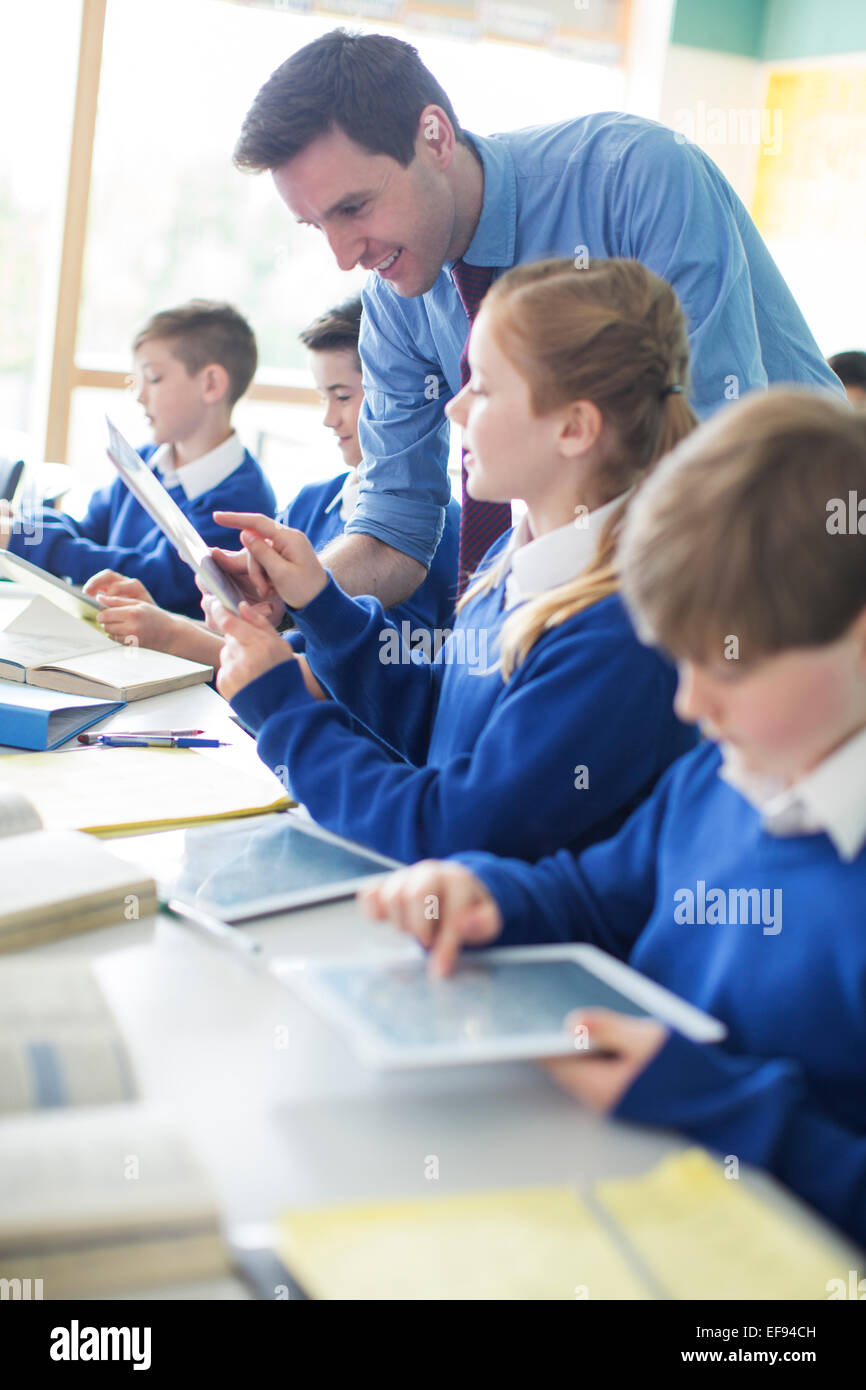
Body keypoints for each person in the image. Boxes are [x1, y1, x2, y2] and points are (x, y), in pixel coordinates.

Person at [360, 390, 866, 1247]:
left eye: (727, 667)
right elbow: (598, 896)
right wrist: (494, 895)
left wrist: (721, 1106)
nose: (690, 701)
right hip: (608, 1186)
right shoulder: (723, 770)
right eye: (679, 658)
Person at [227, 27, 844, 611]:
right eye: (317, 226)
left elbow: (712, 449)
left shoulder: (636, 176)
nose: (343, 257)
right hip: (623, 587)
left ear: (435, 138)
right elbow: (396, 526)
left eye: (354, 207)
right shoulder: (394, 297)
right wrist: (294, 593)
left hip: (799, 550)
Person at [206, 258, 697, 864]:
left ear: (574, 427)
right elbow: (437, 723)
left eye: (483, 388)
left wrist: (282, 708)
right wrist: (320, 601)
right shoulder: (511, 557)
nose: (454, 409)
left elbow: (453, 829)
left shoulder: (619, 634)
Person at [88, 297, 459, 659]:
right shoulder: (306, 504)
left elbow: (366, 676)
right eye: (322, 399)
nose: (329, 419)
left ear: (398, 394)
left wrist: (173, 635)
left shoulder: (431, 529)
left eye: (342, 396)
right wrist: (159, 620)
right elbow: (256, 644)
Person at [0, 301, 275, 620]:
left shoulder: (241, 500)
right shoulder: (146, 461)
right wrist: (22, 525)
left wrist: (23, 538)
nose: (140, 396)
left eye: (154, 379)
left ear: (211, 385)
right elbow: (88, 530)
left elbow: (157, 578)